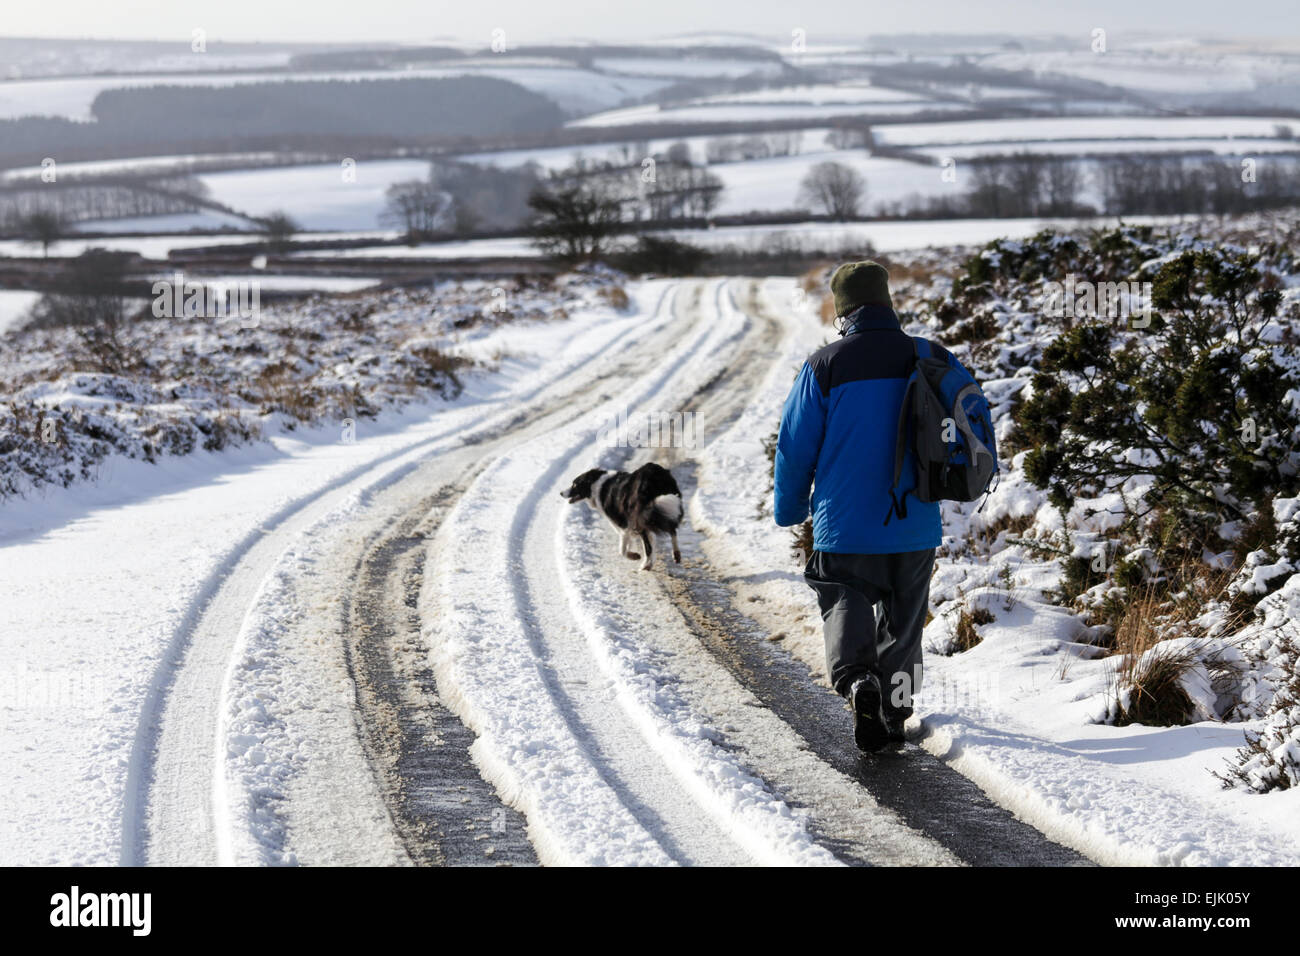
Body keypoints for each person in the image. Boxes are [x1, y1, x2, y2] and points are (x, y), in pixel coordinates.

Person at [774, 260, 976, 752]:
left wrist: (790, 509)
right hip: (915, 523)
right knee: (904, 623)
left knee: (844, 596)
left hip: (844, 524)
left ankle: (858, 679)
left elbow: (794, 447)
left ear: (843, 311)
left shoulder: (825, 365)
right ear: (888, 303)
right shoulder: (931, 356)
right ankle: (895, 713)